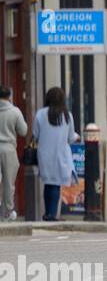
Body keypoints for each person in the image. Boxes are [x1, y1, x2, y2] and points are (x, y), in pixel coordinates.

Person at [31, 87, 78, 222]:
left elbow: (35, 134)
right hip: (60, 154)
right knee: (56, 183)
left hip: (44, 154)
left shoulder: (40, 114)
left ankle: (48, 213)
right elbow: (70, 138)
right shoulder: (67, 116)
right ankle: (51, 214)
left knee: (48, 182)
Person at [0, 85, 27, 220]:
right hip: (9, 149)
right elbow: (23, 131)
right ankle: (7, 212)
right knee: (8, 182)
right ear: (9, 96)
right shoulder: (15, 111)